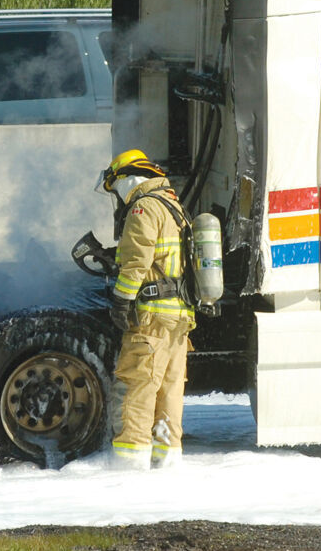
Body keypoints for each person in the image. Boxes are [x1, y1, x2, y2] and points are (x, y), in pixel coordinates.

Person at [97, 149, 195, 469]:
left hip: (151, 317)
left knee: (137, 383)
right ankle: (167, 462)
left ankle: (129, 466)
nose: (118, 194)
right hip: (179, 316)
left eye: (116, 186)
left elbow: (137, 262)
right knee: (168, 389)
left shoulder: (143, 207)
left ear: (129, 178)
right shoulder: (174, 206)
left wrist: (121, 301)